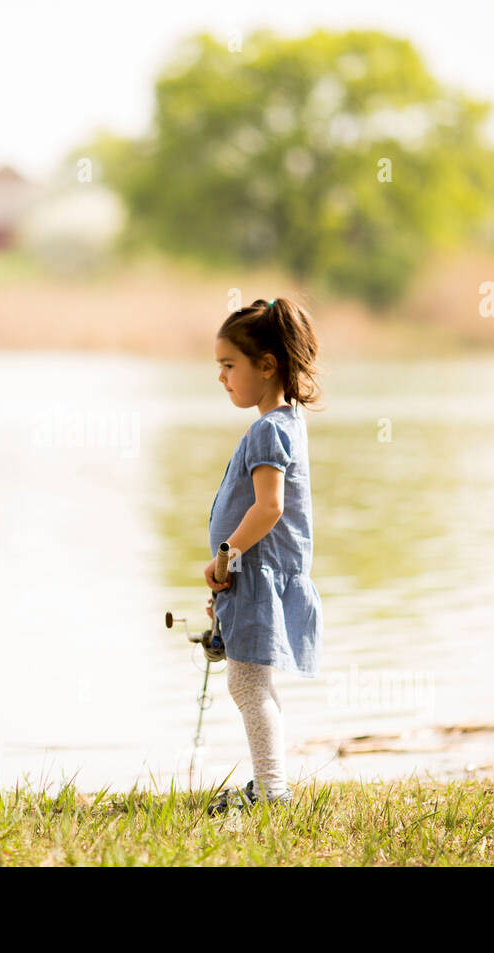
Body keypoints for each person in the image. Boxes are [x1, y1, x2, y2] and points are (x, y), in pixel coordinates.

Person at [204, 296, 324, 813]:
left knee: (246, 684)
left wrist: (226, 555)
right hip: (257, 577)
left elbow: (269, 508)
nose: (223, 377)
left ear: (267, 365)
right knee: (254, 683)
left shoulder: (269, 428)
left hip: (257, 575)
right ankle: (269, 784)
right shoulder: (287, 421)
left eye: (230, 366)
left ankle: (273, 792)